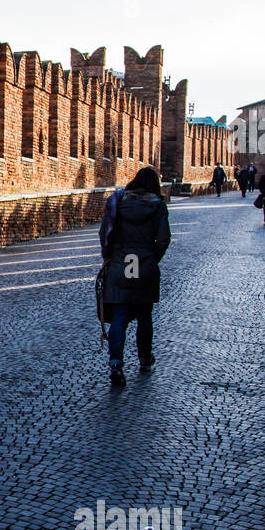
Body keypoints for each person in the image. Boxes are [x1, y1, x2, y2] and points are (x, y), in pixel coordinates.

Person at [99, 166, 172, 388]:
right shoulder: (158, 206)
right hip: (145, 265)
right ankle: (144, 360)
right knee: (144, 315)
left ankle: (115, 364)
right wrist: (151, 258)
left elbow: (104, 233)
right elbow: (164, 239)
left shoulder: (117, 201)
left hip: (120, 264)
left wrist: (110, 257)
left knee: (120, 315)